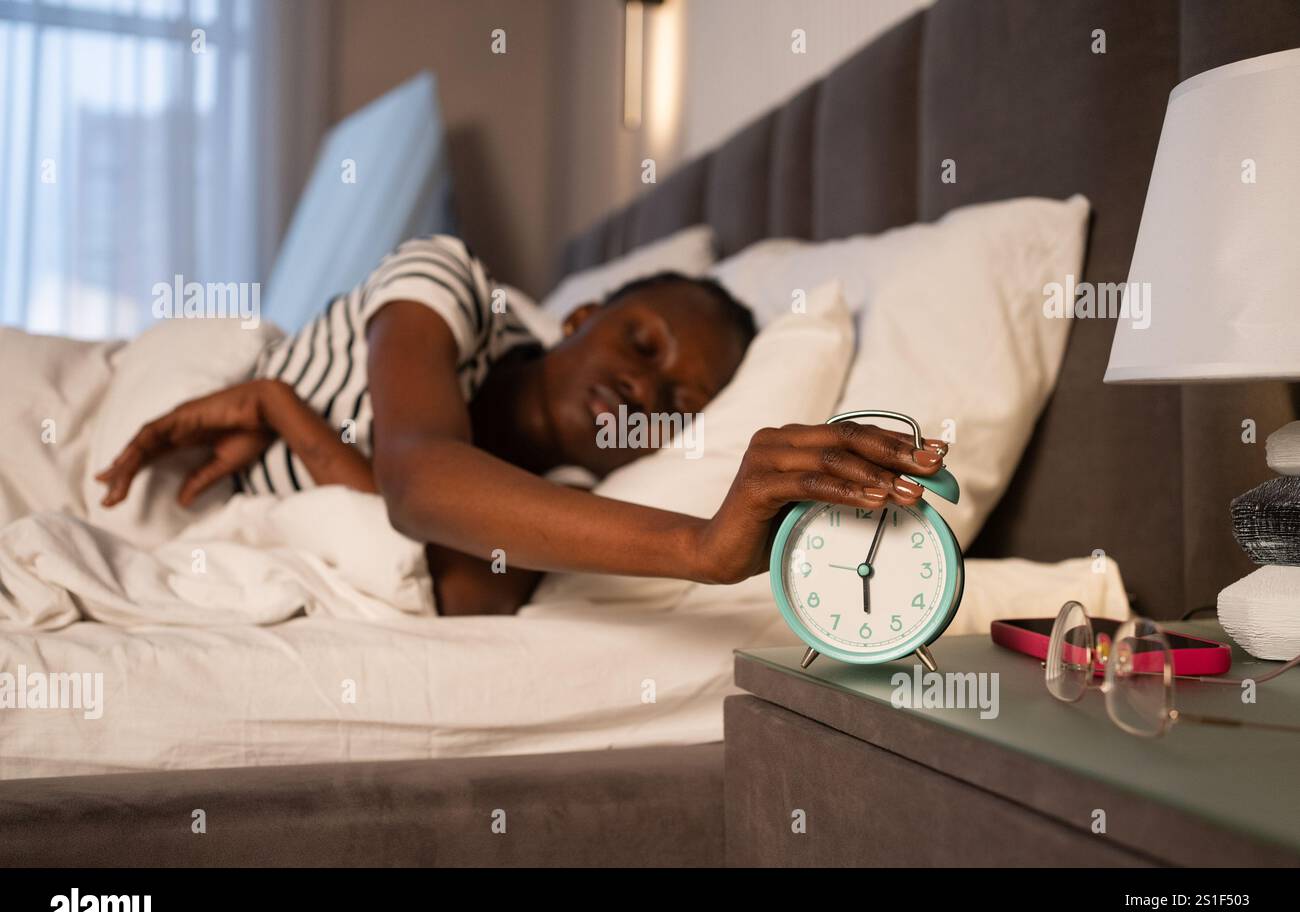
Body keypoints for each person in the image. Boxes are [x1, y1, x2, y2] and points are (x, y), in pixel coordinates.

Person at [95, 235, 947, 614]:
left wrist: (290, 418)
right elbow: (419, 477)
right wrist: (697, 545)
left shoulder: (562, 504)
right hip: (138, 426)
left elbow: (456, 586)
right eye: (641, 342)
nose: (645, 390)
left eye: (682, 405)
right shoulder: (448, 281)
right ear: (577, 317)